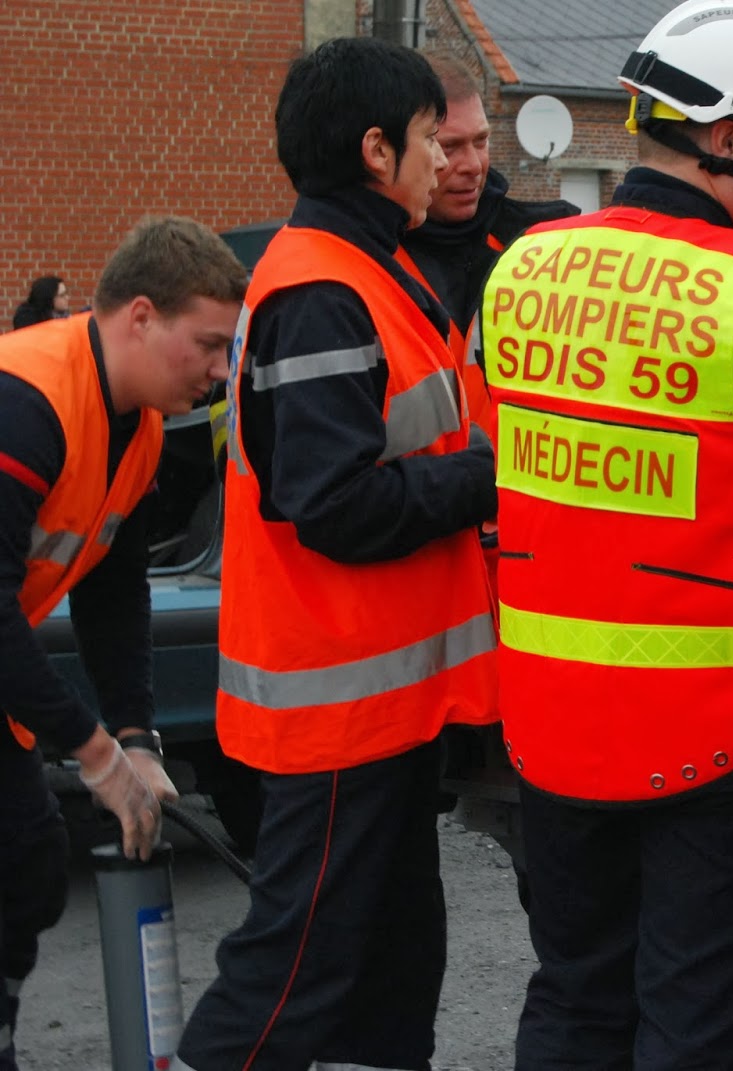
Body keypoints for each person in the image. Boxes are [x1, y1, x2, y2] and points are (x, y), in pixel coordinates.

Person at [478, 0, 733, 1066]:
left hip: (552, 723)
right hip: (724, 738)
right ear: (726, 139)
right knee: (699, 1018)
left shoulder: (521, 270)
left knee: (574, 993)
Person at [175, 37, 498, 1071]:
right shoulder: (324, 288)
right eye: (423, 140)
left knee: (392, 971)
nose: (441, 158)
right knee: (291, 978)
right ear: (374, 151)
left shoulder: (368, 268)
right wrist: (497, 477)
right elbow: (336, 506)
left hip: (379, 706)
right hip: (336, 707)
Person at [0, 216, 244, 1071]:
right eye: (209, 345)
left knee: (26, 860)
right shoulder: (26, 401)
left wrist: (137, 736)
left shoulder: (137, 428)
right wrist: (95, 752)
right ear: (140, 316)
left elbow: (112, 593)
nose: (221, 372)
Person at [400, 51, 579, 442]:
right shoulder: (374, 259)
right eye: (450, 146)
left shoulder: (550, 245)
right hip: (423, 497)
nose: (473, 164)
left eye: (481, 141)